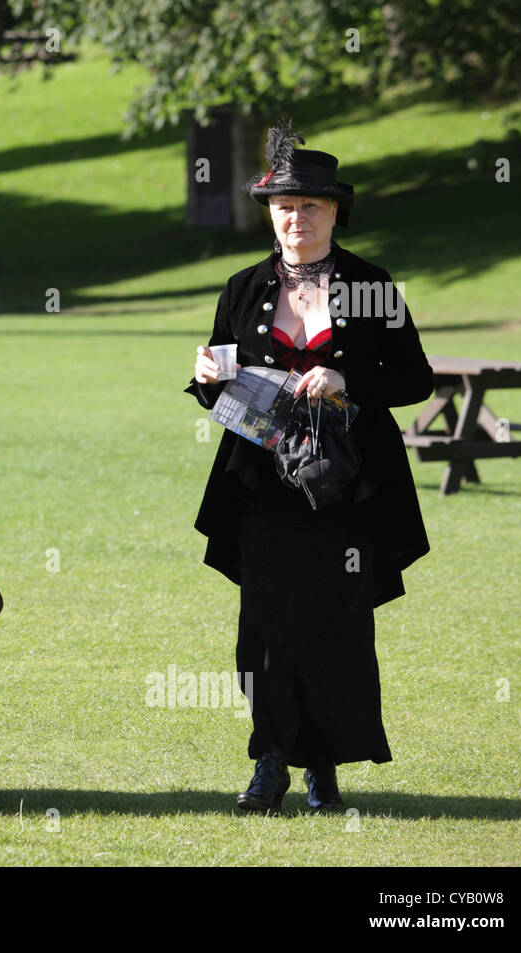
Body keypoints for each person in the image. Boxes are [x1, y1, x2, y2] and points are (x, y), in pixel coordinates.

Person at [186, 121, 434, 813]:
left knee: (337, 621)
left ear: (335, 212)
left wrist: (346, 376)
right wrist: (206, 374)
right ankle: (270, 762)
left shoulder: (370, 284)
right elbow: (222, 380)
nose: (297, 218)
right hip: (261, 481)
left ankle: (324, 767)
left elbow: (416, 379)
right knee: (263, 624)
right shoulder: (243, 286)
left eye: (312, 206)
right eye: (285, 206)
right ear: (270, 212)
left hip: (346, 482)